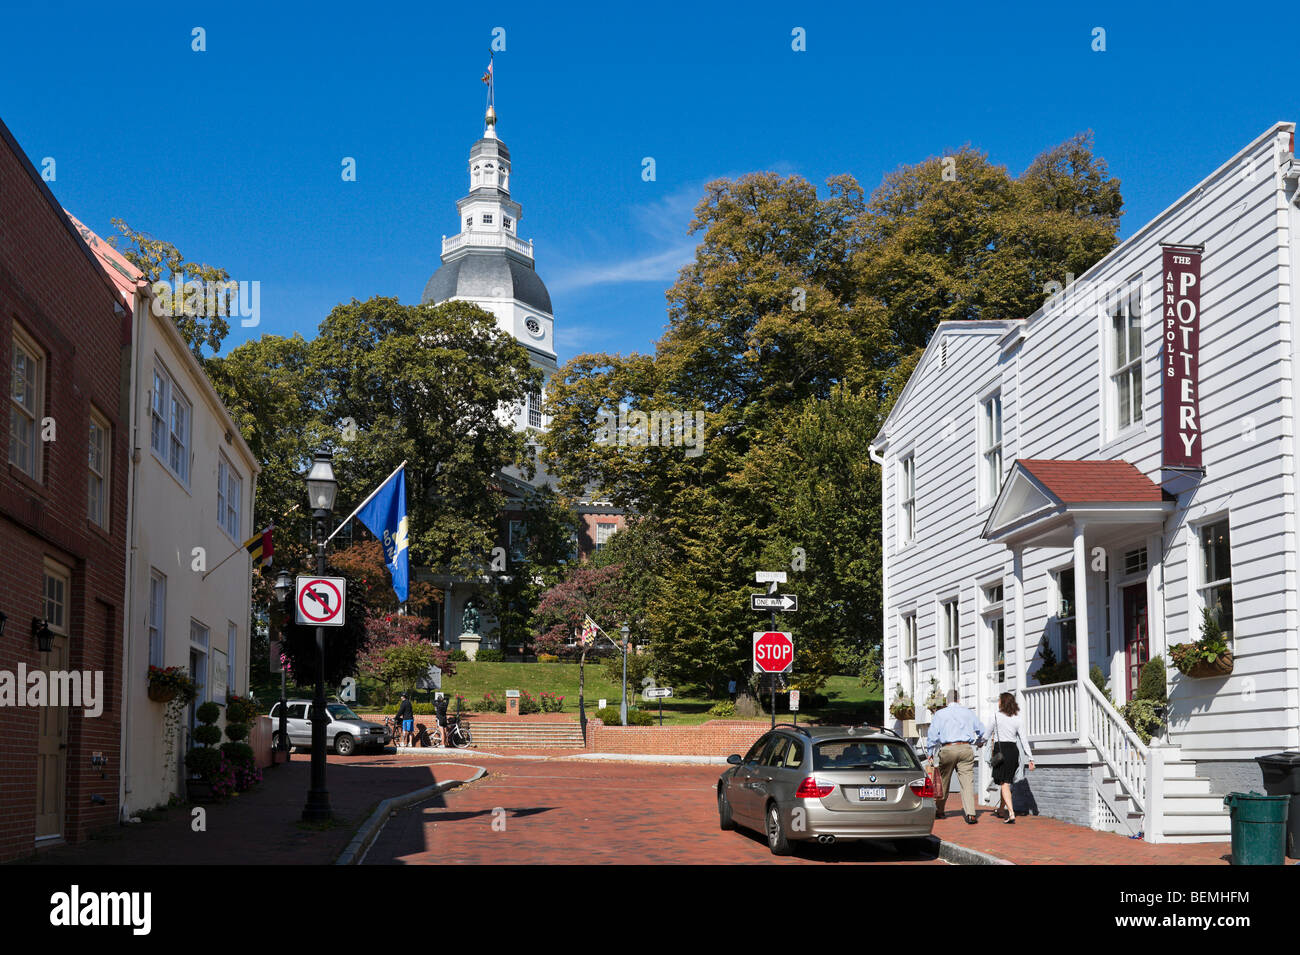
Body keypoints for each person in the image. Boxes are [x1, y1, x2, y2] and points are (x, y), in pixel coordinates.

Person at [925, 688, 986, 824]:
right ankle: (971, 814)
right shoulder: (968, 712)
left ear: (947, 701)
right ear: (959, 699)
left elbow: (932, 736)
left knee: (943, 781)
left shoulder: (940, 714)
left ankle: (940, 811)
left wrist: (930, 752)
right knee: (967, 783)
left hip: (948, 748)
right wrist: (979, 742)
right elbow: (983, 731)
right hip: (965, 748)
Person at [991, 691, 1035, 823]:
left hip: (1001, 751)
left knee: (1004, 783)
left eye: (999, 700)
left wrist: (980, 742)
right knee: (1006, 782)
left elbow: (987, 733)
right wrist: (1030, 758)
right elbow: (1023, 739)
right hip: (1013, 751)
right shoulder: (1017, 718)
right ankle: (1000, 809)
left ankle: (1011, 813)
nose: (998, 702)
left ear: (1002, 702)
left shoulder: (996, 716)